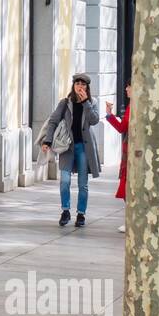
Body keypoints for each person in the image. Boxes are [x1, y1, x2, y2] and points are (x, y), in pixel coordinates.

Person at [42, 73, 101, 228]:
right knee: (65, 181)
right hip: (67, 147)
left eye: (83, 84)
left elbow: (94, 120)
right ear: (73, 86)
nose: (79, 87)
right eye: (77, 84)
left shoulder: (92, 102)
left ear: (87, 88)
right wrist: (47, 140)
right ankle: (65, 210)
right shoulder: (65, 103)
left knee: (83, 184)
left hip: (83, 147)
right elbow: (53, 121)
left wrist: (86, 103)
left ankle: (81, 214)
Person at [105, 83, 131, 233]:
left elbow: (123, 127)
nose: (126, 89)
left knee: (128, 188)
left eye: (129, 86)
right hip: (131, 151)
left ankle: (131, 220)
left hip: (131, 153)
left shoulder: (132, 106)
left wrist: (109, 115)